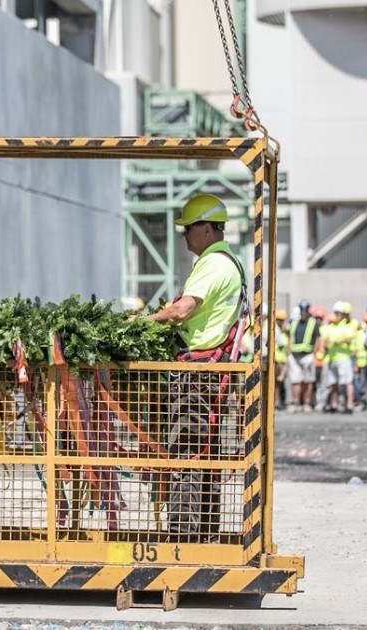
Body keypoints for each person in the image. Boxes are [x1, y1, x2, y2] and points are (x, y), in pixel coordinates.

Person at [147, 193, 246, 542]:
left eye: (188, 229)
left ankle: (183, 537)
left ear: (206, 229)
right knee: (205, 455)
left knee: (186, 453)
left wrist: (142, 322)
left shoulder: (214, 264)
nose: (184, 236)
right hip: (208, 374)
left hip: (197, 376)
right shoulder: (227, 261)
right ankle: (205, 532)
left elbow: (182, 310)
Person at [286, 300, 322, 413]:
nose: (303, 313)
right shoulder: (293, 322)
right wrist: (288, 350)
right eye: (302, 311)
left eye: (305, 311)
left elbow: (317, 338)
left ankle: (306, 403)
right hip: (295, 355)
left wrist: (314, 353)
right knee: (295, 380)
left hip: (308, 355)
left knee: (308, 380)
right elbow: (288, 336)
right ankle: (296, 403)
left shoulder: (313, 323)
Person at [321, 302, 355, 413]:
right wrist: (326, 346)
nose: (337, 315)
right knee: (333, 382)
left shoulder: (347, 325)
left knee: (347, 382)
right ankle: (334, 404)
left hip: (343, 357)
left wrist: (336, 342)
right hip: (332, 357)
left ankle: (349, 404)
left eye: (339, 313)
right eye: (336, 313)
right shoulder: (330, 326)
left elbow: (349, 339)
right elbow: (325, 341)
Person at [273, 310, 289, 410]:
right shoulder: (273, 332)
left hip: (283, 361)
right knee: (275, 383)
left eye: (281, 320)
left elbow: (288, 348)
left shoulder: (286, 333)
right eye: (278, 320)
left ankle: (279, 401)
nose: (280, 322)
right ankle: (276, 402)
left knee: (280, 384)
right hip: (275, 360)